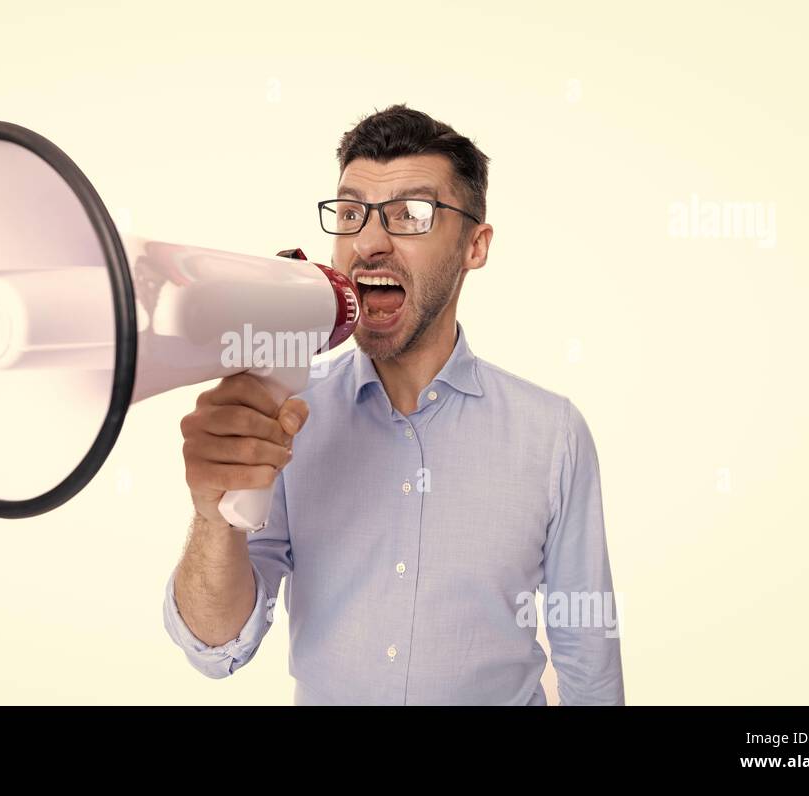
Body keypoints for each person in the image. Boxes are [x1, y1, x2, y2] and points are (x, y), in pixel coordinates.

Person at [163, 103, 624, 705]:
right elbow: (216, 645)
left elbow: (587, 657)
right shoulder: (285, 416)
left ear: (475, 245)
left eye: (411, 214)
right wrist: (212, 512)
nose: (370, 242)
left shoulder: (552, 433)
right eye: (351, 213)